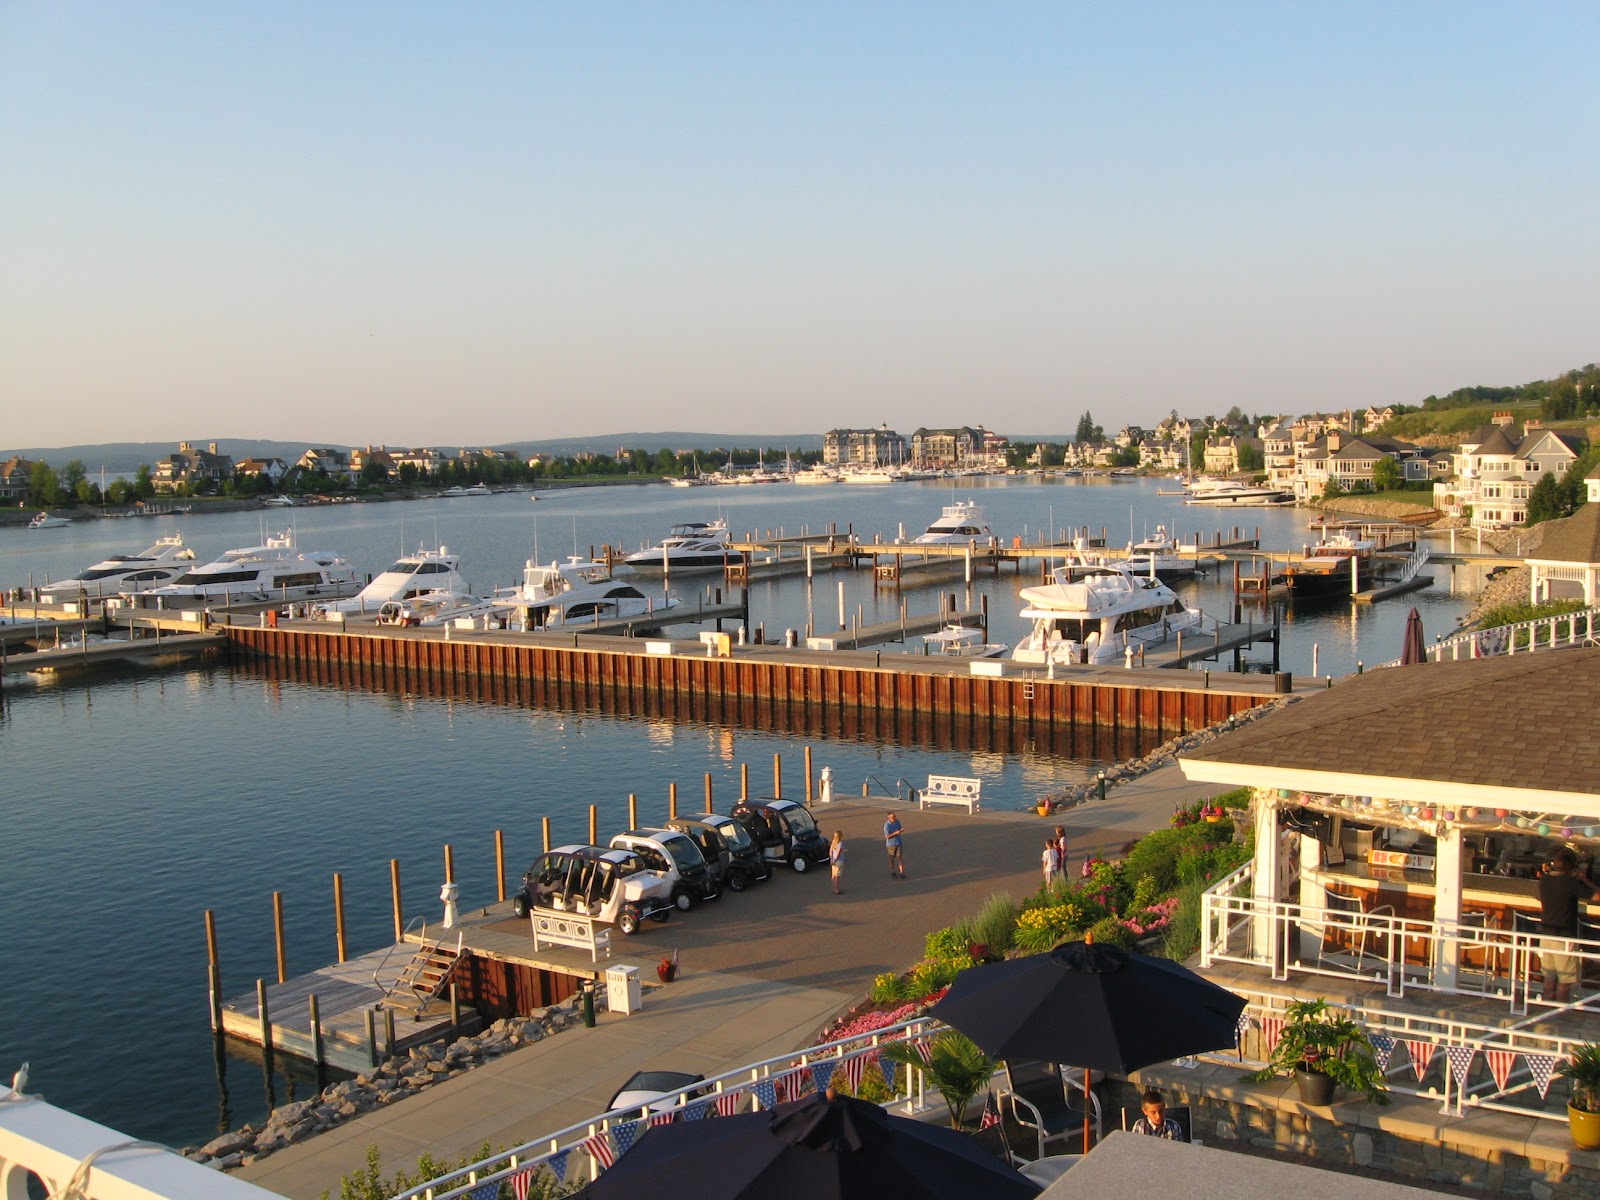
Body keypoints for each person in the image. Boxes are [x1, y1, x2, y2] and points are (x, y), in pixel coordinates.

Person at [1537, 847, 1599, 1002]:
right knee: (1565, 981)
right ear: (1571, 867)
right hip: (1564, 937)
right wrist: (1584, 879)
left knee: (1549, 978)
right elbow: (1597, 896)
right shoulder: (1571, 883)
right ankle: (1561, 1010)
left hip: (1546, 934)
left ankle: (1546, 1006)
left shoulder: (1544, 880)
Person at [884, 812, 906, 879]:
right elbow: (887, 836)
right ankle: (892, 871)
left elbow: (899, 829)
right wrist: (895, 833)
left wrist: (901, 830)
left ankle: (901, 873)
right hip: (891, 845)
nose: (895, 818)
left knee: (900, 857)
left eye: (895, 816)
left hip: (898, 842)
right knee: (891, 858)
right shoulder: (887, 825)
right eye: (893, 817)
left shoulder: (897, 822)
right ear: (889, 818)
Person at [829, 831, 846, 895]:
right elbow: (839, 854)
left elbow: (830, 851)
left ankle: (834, 888)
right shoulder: (840, 844)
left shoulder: (833, 843)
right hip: (839, 861)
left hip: (833, 861)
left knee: (833, 875)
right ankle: (837, 890)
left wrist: (832, 860)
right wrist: (835, 860)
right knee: (837, 876)